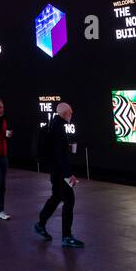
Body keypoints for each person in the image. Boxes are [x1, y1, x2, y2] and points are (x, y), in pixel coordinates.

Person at [34, 103, 84, 248]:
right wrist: (69, 175)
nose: (72, 115)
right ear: (65, 113)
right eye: (70, 112)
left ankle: (40, 224)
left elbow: (56, 150)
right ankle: (66, 236)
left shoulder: (54, 125)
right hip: (60, 173)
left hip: (55, 171)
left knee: (56, 198)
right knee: (69, 200)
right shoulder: (58, 128)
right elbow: (59, 155)